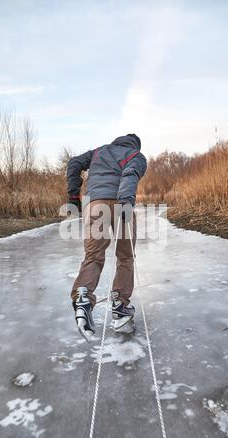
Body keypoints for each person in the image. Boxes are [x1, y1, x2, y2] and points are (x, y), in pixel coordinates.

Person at [67, 134, 147, 342]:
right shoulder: (136, 155)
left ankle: (83, 297)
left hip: (95, 205)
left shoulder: (98, 152)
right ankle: (120, 306)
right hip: (122, 204)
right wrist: (126, 201)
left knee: (93, 256)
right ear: (135, 145)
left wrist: (73, 196)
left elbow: (74, 163)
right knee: (125, 257)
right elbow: (130, 174)